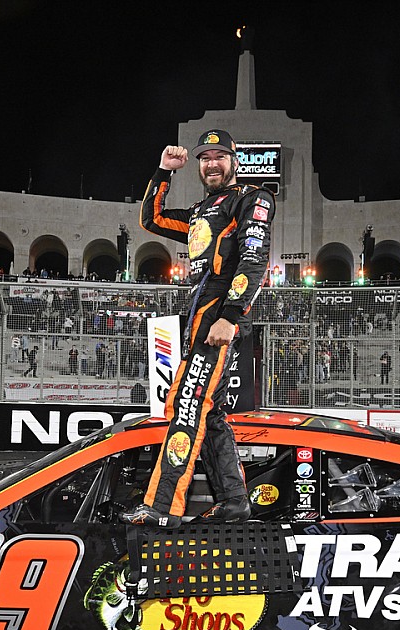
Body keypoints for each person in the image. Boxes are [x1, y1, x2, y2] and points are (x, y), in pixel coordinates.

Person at [121, 129, 275, 529]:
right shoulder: (200, 211)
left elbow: (255, 260)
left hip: (219, 319)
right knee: (213, 414)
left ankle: (161, 508)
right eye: (205, 158)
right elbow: (151, 219)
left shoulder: (251, 199)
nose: (211, 164)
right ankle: (235, 501)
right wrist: (163, 172)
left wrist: (232, 316)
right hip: (199, 319)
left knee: (186, 405)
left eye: (219, 157)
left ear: (235, 160)